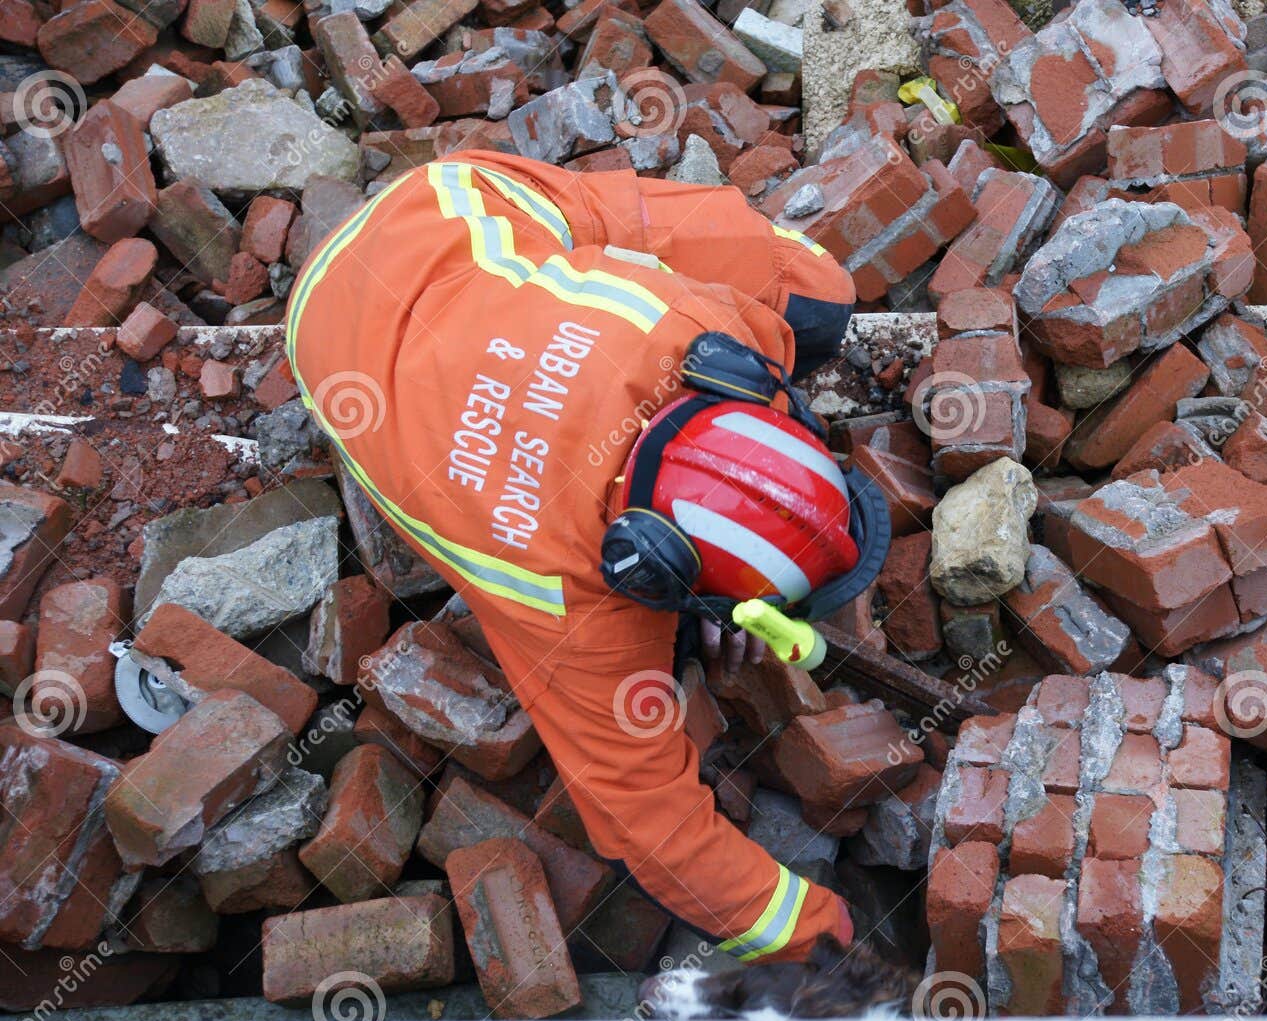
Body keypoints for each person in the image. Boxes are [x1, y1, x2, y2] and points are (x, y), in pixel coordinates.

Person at [286, 150, 889, 966]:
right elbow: (651, 827)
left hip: (448, 212)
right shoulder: (568, 608)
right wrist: (821, 941)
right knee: (662, 662)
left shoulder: (704, 330)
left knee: (815, 294)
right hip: (328, 326)